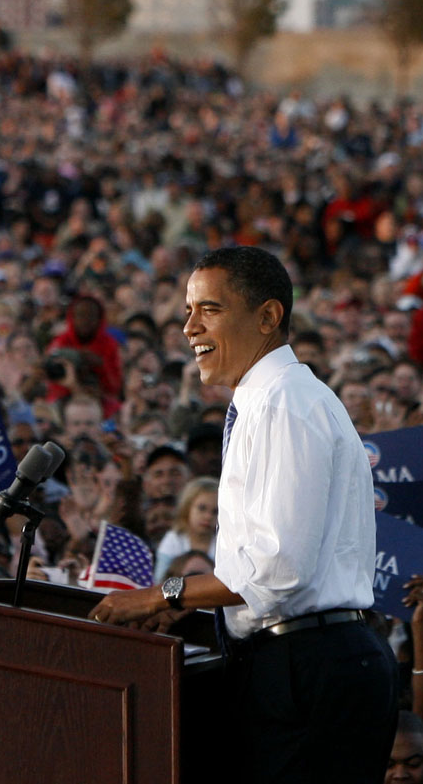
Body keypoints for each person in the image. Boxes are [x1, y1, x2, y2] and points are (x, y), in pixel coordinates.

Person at [93, 248, 393, 783]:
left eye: (209, 309)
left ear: (267, 316)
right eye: (188, 310)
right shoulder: (269, 400)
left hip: (309, 668)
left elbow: (278, 570)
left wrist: (160, 595)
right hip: (293, 661)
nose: (189, 327)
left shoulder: (284, 402)